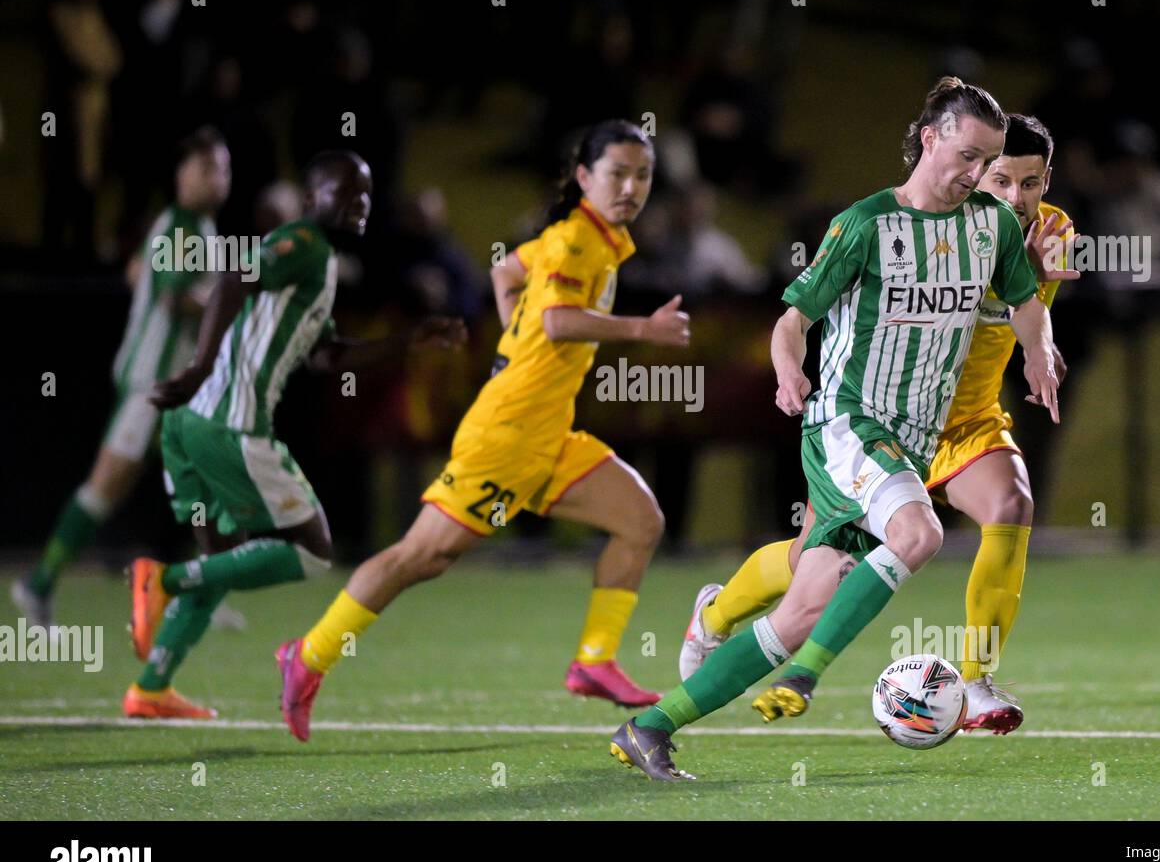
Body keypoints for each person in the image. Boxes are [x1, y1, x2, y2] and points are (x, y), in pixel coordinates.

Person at [611, 78, 1062, 780]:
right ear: (931, 139)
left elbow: (1025, 301)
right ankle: (808, 678)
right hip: (849, 421)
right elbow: (792, 321)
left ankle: (649, 726)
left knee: (802, 605)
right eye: (970, 157)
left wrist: (1038, 348)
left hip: (907, 441)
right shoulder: (866, 225)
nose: (978, 177)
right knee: (921, 534)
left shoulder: (993, 226)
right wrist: (790, 374)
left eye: (991, 163)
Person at [276, 120, 691, 742]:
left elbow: (506, 277)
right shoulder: (578, 239)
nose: (631, 187)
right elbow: (554, 322)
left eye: (643, 175)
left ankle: (594, 660)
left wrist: (509, 347)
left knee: (641, 521)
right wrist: (641, 331)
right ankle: (307, 656)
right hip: (507, 435)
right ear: (583, 178)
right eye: (617, 174)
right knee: (421, 557)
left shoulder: (588, 238)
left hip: (549, 432)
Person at [123, 150, 465, 718]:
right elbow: (236, 276)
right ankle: (165, 578)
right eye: (347, 192)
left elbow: (326, 354)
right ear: (313, 199)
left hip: (191, 428)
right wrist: (201, 367)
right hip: (230, 424)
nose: (361, 204)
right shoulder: (304, 243)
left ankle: (151, 688)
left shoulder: (319, 261)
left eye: (367, 195)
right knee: (312, 549)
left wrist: (407, 340)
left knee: (226, 556)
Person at [12, 126, 231, 629]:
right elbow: (178, 295)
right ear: (182, 175)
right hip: (152, 385)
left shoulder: (190, 227)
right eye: (207, 167)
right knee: (108, 486)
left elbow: (139, 271)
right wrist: (231, 301)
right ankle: (38, 583)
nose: (218, 177)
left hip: (170, 383)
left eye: (224, 168)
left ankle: (197, 593)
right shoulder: (184, 227)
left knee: (203, 481)